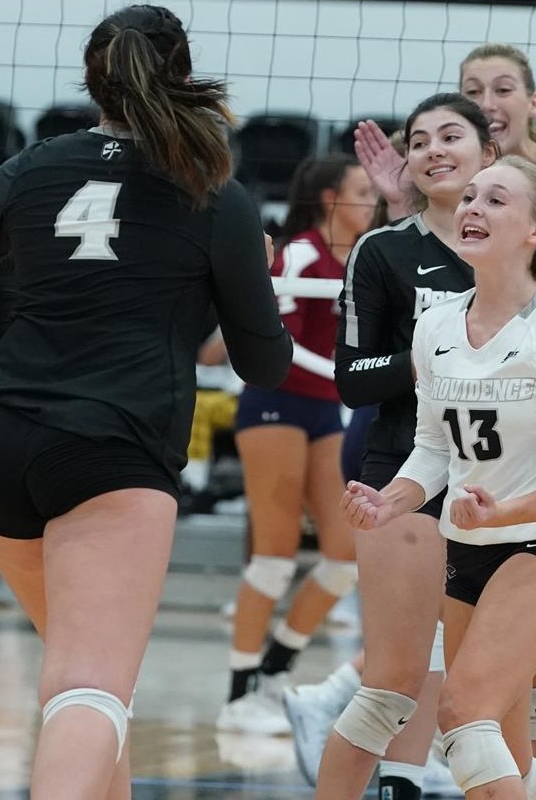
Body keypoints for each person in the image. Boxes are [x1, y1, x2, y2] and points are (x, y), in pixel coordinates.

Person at [0, 4, 292, 800]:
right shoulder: (214, 185)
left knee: (88, 678)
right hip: (114, 448)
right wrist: (254, 278)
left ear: (94, 83)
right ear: (182, 78)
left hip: (0, 443)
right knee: (89, 682)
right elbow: (262, 363)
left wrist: (31, 274)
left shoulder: (34, 166)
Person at [340, 45, 536, 798]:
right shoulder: (441, 306)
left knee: (504, 682)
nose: (473, 207)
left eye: (502, 89)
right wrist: (396, 497)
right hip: (470, 511)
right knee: (495, 732)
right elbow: (427, 439)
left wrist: (507, 509)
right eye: (473, 91)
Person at [303, 92, 496, 800]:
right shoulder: (384, 252)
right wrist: (427, 357)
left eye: (452, 135)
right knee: (392, 682)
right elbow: (353, 380)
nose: (435, 149)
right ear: (409, 163)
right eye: (420, 141)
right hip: (404, 469)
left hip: (501, 476)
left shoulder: (525, 250)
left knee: (508, 685)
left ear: (491, 153)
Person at [219, 156, 373, 735]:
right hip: (274, 403)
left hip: (323, 411)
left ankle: (276, 670)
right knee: (275, 556)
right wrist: (347, 377)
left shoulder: (359, 258)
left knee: (344, 554)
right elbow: (275, 337)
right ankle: (237, 697)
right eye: (362, 192)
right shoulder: (302, 251)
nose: (372, 202)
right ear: (330, 197)